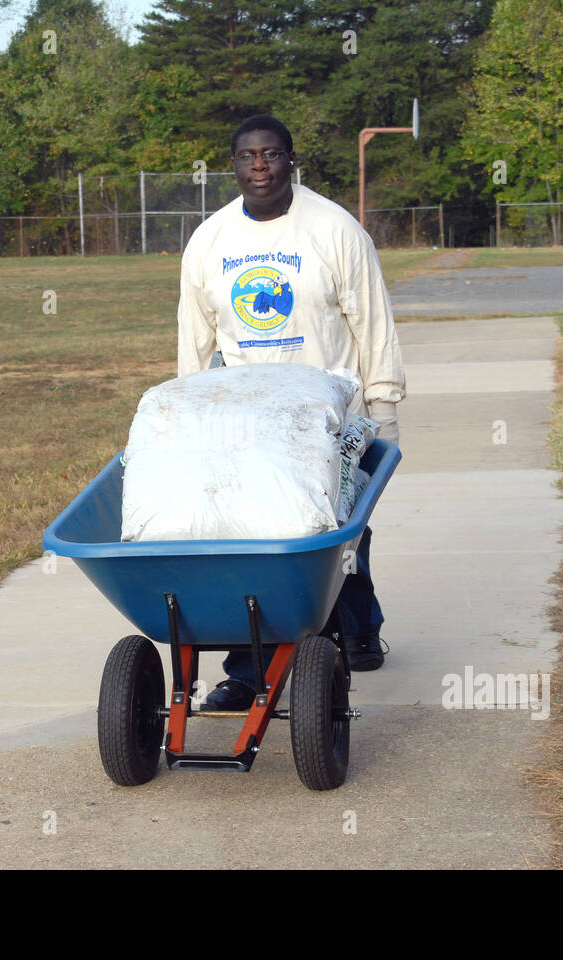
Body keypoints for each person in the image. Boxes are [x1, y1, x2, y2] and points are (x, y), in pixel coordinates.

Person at [176, 114, 406, 710]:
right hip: (245, 414)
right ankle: (249, 671)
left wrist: (383, 407)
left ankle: (355, 630)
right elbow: (194, 334)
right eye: (247, 155)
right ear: (233, 166)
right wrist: (188, 410)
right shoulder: (211, 240)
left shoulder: (334, 230)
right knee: (250, 529)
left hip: (323, 410)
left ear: (291, 160)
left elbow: (372, 321)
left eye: (272, 154)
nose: (259, 165)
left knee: (333, 529)